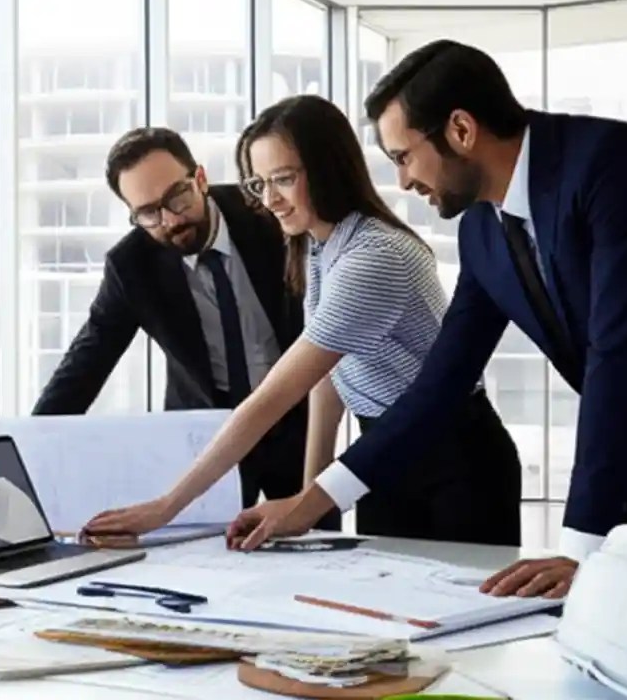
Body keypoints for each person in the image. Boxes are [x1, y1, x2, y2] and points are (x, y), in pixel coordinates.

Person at [226, 40, 627, 597]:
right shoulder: (481, 233)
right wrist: (314, 500)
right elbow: (439, 385)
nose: (403, 179)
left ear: (461, 129)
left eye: (405, 156)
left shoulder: (614, 165)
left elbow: (620, 355)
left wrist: (580, 544)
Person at [82, 95, 521, 545]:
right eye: (259, 184)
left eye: (284, 179)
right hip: (385, 457)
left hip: (456, 460)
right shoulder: (318, 245)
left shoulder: (372, 257)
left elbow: (269, 399)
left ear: (327, 167)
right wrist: (309, 500)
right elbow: (328, 376)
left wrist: (166, 508)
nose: (270, 200)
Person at [31, 127, 316, 513]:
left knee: (318, 543)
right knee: (209, 556)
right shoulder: (131, 266)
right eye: (148, 212)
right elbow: (87, 360)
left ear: (200, 179)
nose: (169, 220)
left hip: (296, 417)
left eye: (176, 198)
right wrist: (31, 444)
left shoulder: (265, 213)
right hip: (207, 435)